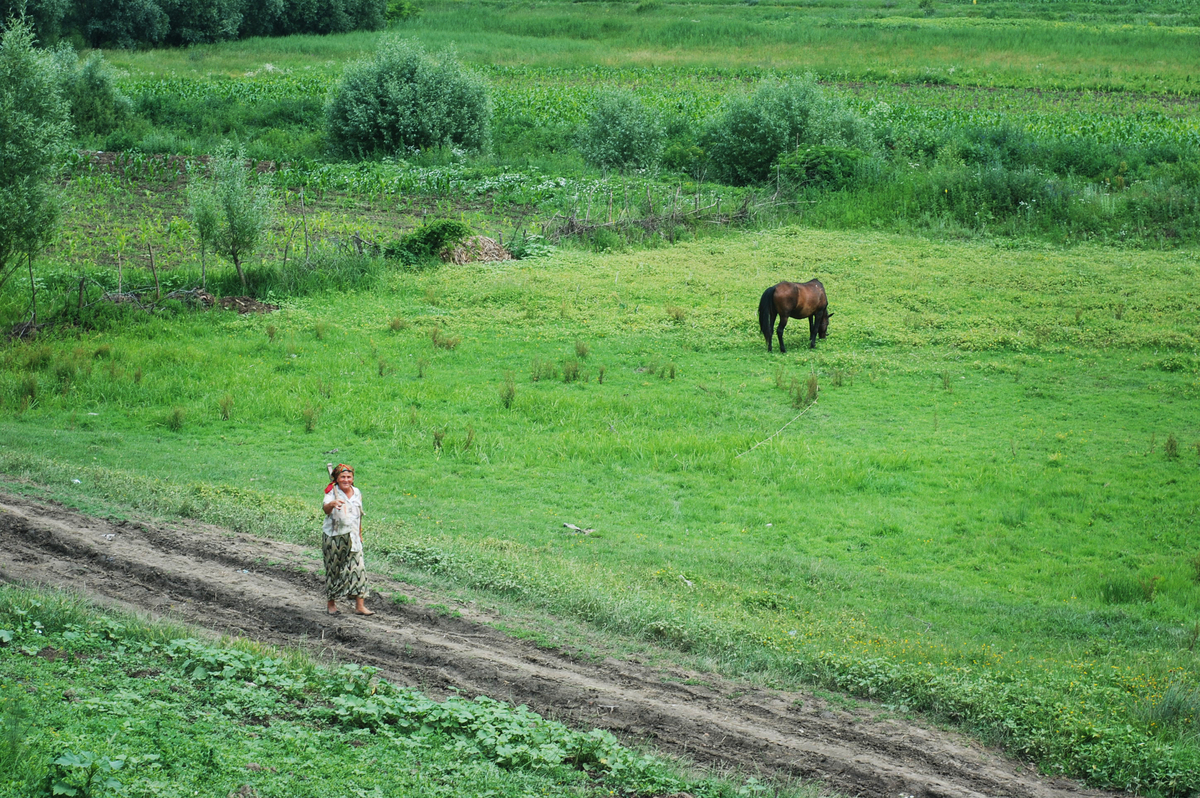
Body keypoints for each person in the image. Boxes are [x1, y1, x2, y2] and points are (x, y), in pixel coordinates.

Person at [321, 463, 374, 616]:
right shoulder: (332, 491)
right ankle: (331, 604)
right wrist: (332, 504)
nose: (346, 480)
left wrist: (360, 533)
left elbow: (359, 515)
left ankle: (360, 605)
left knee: (359, 569)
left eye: (349, 477)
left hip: (353, 537)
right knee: (334, 571)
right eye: (342, 477)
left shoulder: (357, 492)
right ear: (336, 479)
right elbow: (325, 509)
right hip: (335, 538)